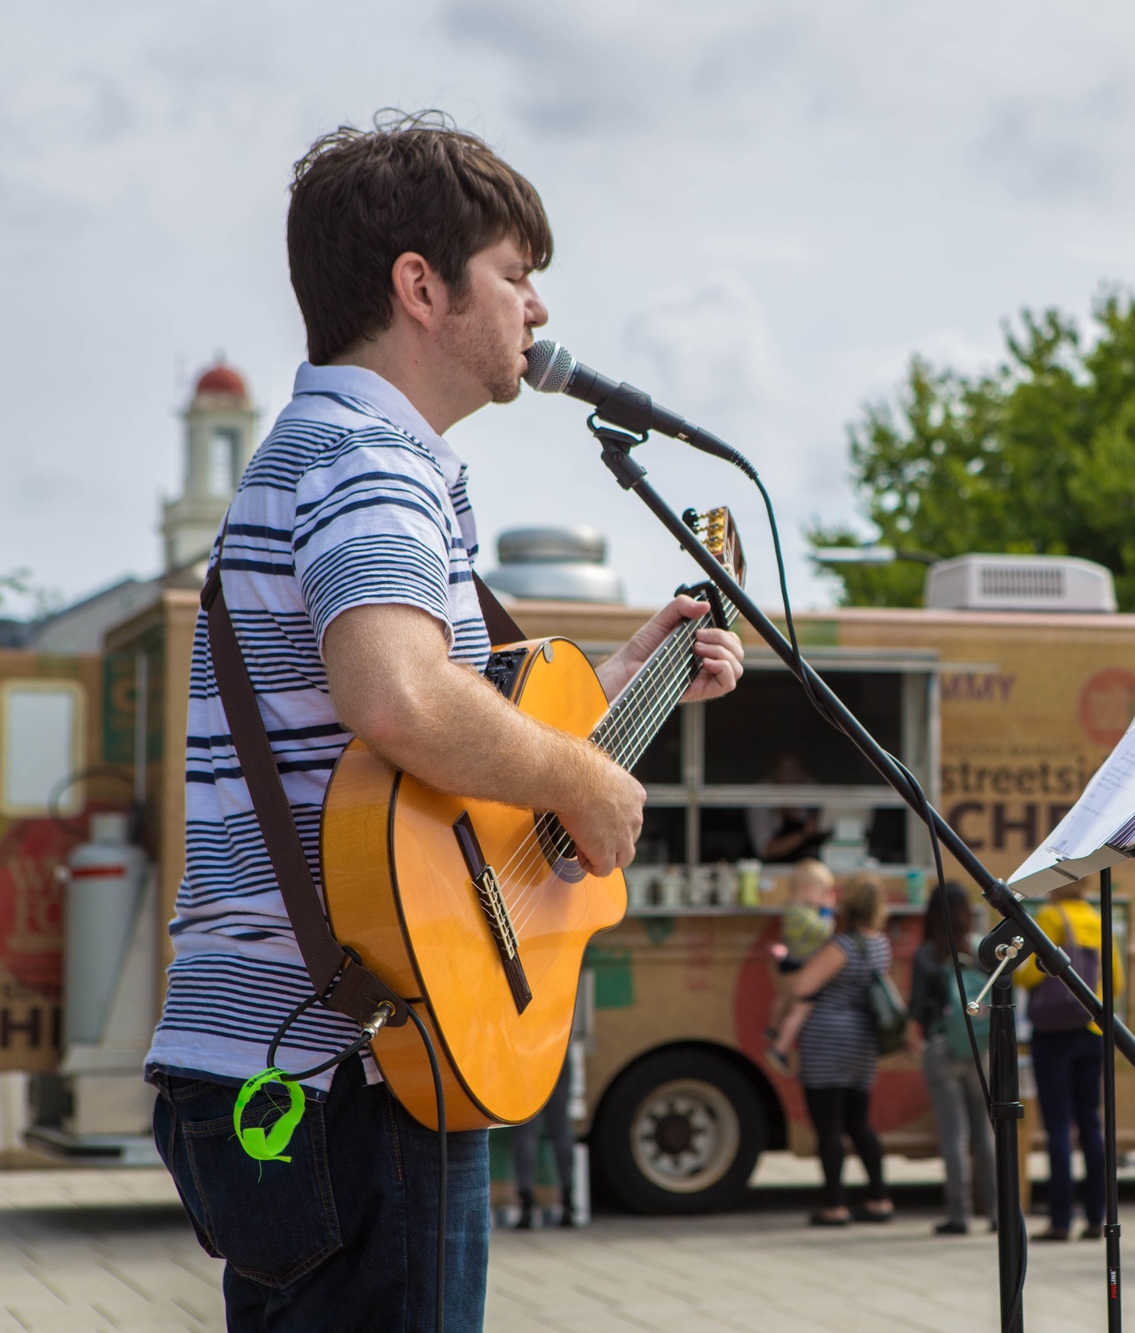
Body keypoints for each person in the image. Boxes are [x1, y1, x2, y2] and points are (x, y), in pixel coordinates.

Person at [141, 112, 744, 1331]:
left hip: (288, 1055)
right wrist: (582, 777)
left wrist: (627, 688)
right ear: (420, 286)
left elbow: (411, 727)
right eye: (516, 277)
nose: (535, 311)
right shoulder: (369, 457)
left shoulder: (330, 452)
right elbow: (395, 695)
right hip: (350, 1067)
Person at [1015, 876, 1122, 1242]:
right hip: (1091, 1031)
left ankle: (1061, 1220)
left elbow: (1028, 974)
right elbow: (1117, 981)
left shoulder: (1050, 916)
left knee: (1058, 1126)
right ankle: (1097, 1217)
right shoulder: (1097, 918)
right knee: (1091, 1123)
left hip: (1052, 1033)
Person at [784, 872, 894, 1226]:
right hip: (863, 1042)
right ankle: (879, 1198)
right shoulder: (881, 944)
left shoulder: (842, 946)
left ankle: (834, 1205)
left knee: (828, 1126)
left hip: (828, 1043)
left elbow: (802, 986)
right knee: (859, 1123)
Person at [907, 882, 995, 1236]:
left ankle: (958, 1215)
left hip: (942, 1047)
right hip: (980, 1047)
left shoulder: (928, 953)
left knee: (954, 1135)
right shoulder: (979, 949)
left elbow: (916, 1009)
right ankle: (996, 1213)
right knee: (985, 1134)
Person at [765, 859, 837, 1076]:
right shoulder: (803, 915)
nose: (825, 896)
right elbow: (823, 932)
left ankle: (773, 1028)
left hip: (789, 963)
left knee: (784, 997)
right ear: (807, 889)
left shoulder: (791, 909)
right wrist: (827, 911)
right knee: (800, 1010)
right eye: (822, 891)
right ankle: (779, 1048)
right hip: (802, 967)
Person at [508, 1055, 577, 1229]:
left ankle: (526, 1208)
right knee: (560, 1129)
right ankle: (568, 1204)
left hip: (526, 1057)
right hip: (558, 1052)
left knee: (526, 1131)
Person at [747, 753, 828, 862]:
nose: (793, 776)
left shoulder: (811, 791)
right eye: (786, 770)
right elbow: (766, 850)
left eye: (796, 769)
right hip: (774, 868)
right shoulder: (762, 798)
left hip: (808, 865)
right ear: (775, 773)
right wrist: (803, 834)